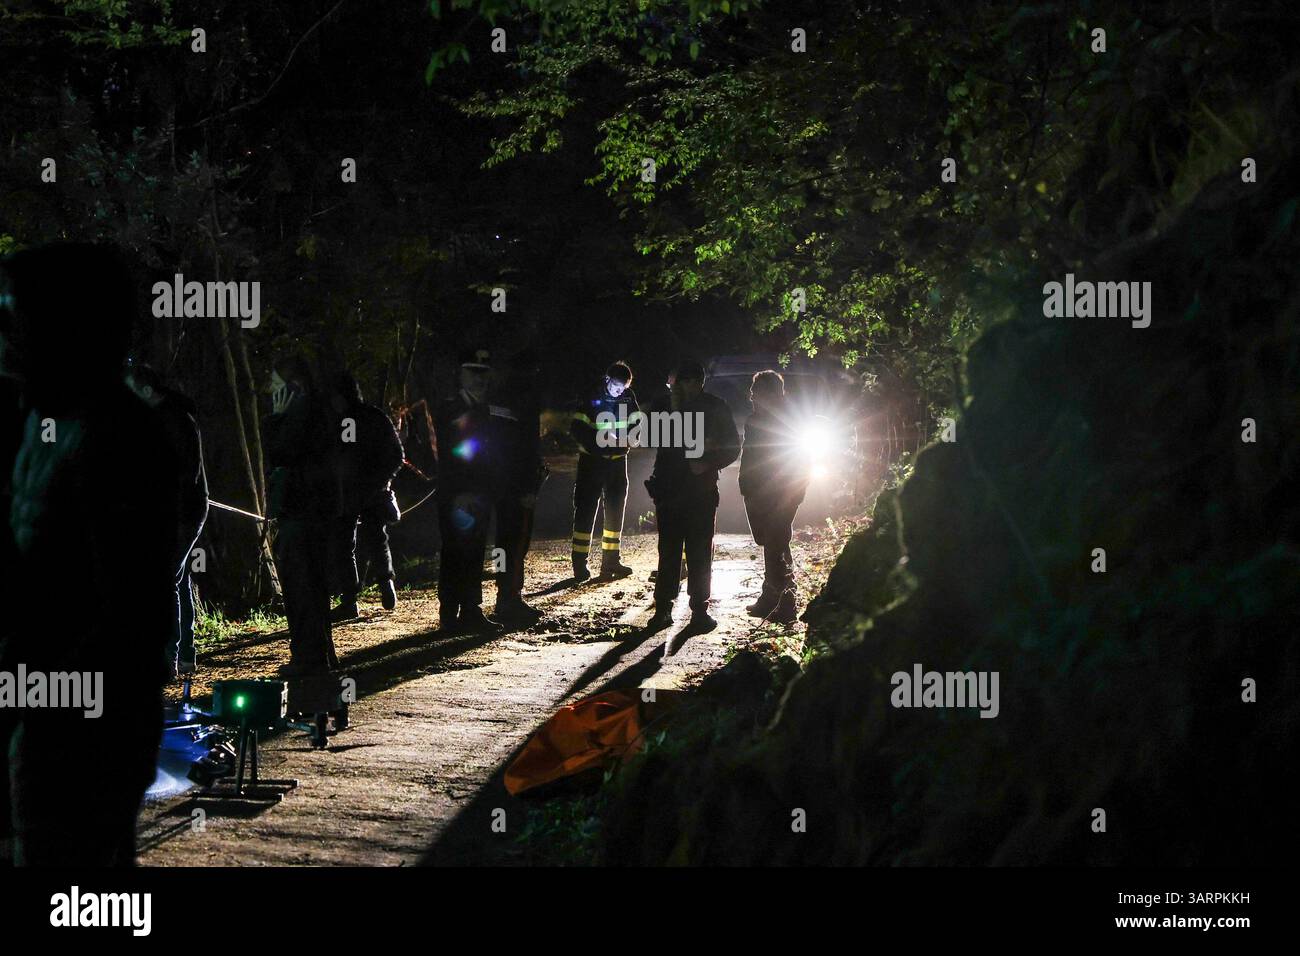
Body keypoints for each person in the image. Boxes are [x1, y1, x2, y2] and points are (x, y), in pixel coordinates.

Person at [0, 243, 178, 865]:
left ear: (69, 329)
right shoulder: (38, 420)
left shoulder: (120, 438)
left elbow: (128, 617)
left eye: (16, 318)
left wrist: (28, 694)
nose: (7, 340)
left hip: (87, 728)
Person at [126, 363, 210, 676]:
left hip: (181, 512)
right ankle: (184, 653)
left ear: (147, 390)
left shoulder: (174, 420)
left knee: (165, 581)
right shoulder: (158, 418)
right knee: (179, 578)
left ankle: (167, 659)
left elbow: (184, 473)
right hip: (175, 511)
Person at [645, 360, 739, 632]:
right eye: (678, 383)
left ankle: (699, 609)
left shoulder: (715, 406)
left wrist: (709, 462)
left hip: (700, 491)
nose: (682, 388)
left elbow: (733, 446)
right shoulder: (663, 405)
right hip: (669, 490)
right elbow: (653, 438)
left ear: (698, 382)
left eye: (687, 383)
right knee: (669, 552)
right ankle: (663, 608)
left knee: (699, 552)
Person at [264, 354, 341, 675]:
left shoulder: (301, 411)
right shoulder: (320, 409)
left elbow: (280, 451)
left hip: (302, 510)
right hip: (315, 510)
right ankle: (322, 652)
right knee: (313, 585)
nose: (269, 389)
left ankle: (309, 657)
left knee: (301, 586)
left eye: (275, 383)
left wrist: (275, 419)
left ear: (292, 385)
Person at [433, 347, 502, 634]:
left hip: (478, 492)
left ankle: (467, 610)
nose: (479, 379)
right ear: (460, 375)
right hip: (458, 493)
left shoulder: (484, 408)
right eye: (473, 372)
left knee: (473, 550)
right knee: (456, 550)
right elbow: (455, 454)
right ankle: (453, 612)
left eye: (483, 373)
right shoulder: (452, 409)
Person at [327, 372, 404, 619]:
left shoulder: (342, 421)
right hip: (369, 490)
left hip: (351, 492)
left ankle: (350, 600)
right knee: (376, 538)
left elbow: (341, 456)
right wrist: (382, 480)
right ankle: (386, 583)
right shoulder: (376, 416)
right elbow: (396, 454)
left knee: (345, 545)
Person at [738, 370, 808, 624]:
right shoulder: (754, 420)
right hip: (758, 491)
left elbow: (801, 459)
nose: (753, 397)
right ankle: (772, 597)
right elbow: (751, 455)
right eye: (753, 393)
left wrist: (795, 492)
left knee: (776, 542)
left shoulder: (789, 420)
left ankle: (785, 602)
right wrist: (746, 484)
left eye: (757, 392)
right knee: (770, 542)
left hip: (781, 493)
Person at [491, 348, 548, 624]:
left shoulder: (498, 393)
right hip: (518, 482)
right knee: (516, 541)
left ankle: (504, 595)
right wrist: (530, 483)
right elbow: (525, 444)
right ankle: (509, 598)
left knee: (503, 541)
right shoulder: (526, 394)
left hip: (499, 480)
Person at [569, 361, 639, 581]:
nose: (619, 392)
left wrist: (633, 438)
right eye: (617, 387)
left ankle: (611, 561)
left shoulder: (628, 397)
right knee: (586, 510)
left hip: (617, 463)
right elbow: (578, 428)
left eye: (623, 389)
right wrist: (601, 444)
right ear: (607, 379)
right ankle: (580, 565)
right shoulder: (590, 394)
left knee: (616, 510)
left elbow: (637, 424)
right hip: (592, 462)